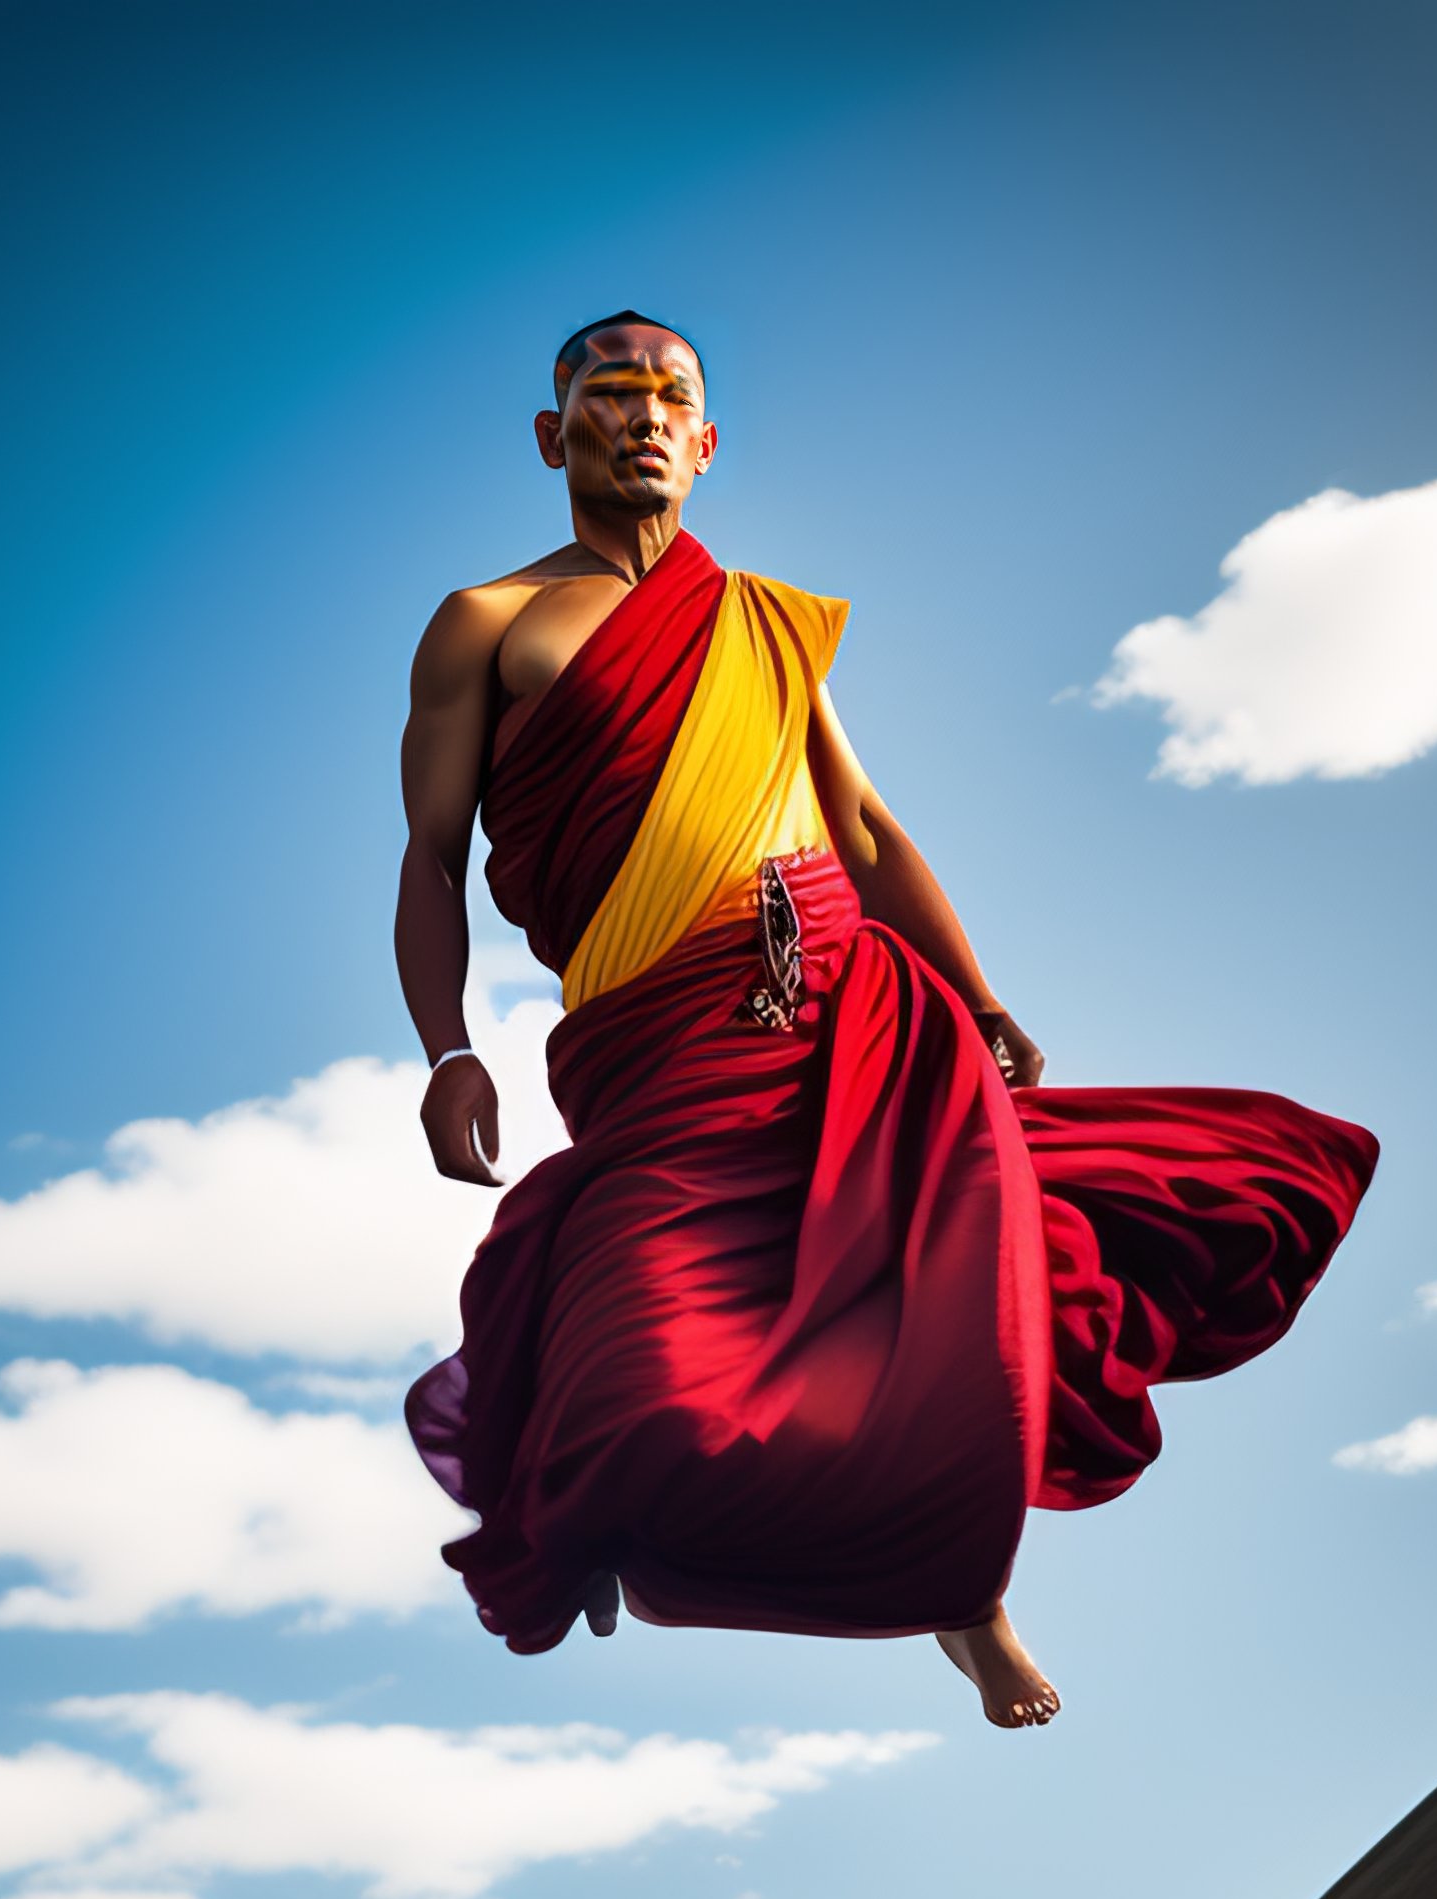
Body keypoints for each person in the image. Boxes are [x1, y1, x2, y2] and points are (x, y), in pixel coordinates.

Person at [395, 313, 1376, 1727]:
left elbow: (858, 826)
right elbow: (431, 860)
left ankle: (968, 1605)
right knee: (639, 1371)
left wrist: (981, 994)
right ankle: (598, 1498)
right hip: (659, 1044)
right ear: (555, 437)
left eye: (672, 396)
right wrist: (447, 1048)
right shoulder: (487, 624)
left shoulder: (760, 623)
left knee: (958, 1281)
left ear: (708, 443)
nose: (645, 416)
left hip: (850, 1005)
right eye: (612, 394)